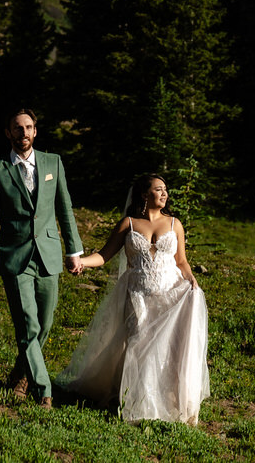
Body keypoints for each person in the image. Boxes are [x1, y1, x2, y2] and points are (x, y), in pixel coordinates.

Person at [60, 173, 210, 424]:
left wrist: (191, 279)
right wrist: (82, 263)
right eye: (158, 189)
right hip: (137, 293)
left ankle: (160, 402)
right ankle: (137, 401)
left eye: (165, 190)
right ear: (144, 194)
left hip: (170, 294)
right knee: (138, 344)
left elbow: (181, 261)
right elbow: (104, 255)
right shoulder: (128, 224)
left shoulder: (174, 224)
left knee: (165, 349)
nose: (164, 193)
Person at [0, 109, 84, 409]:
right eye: (18, 128)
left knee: (44, 324)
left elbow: (65, 209)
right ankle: (43, 388)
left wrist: (74, 251)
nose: (24, 133)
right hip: (14, 259)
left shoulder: (53, 163)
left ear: (35, 131)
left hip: (48, 256)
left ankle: (20, 374)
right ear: (8, 133)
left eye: (29, 127)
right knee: (28, 325)